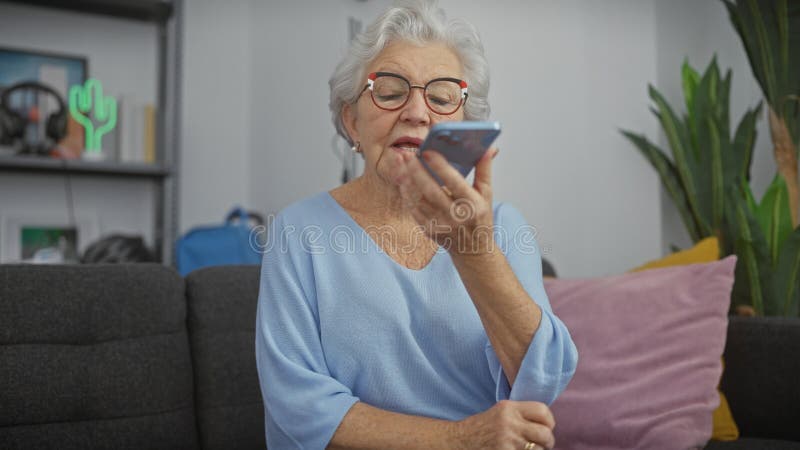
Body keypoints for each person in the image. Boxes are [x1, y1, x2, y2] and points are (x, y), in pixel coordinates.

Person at [255, 1, 577, 448]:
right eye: (389, 91)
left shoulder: (503, 226)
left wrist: (474, 252)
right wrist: (459, 439)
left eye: (442, 97)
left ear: (468, 124)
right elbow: (297, 403)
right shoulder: (297, 231)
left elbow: (542, 381)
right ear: (352, 121)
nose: (417, 112)